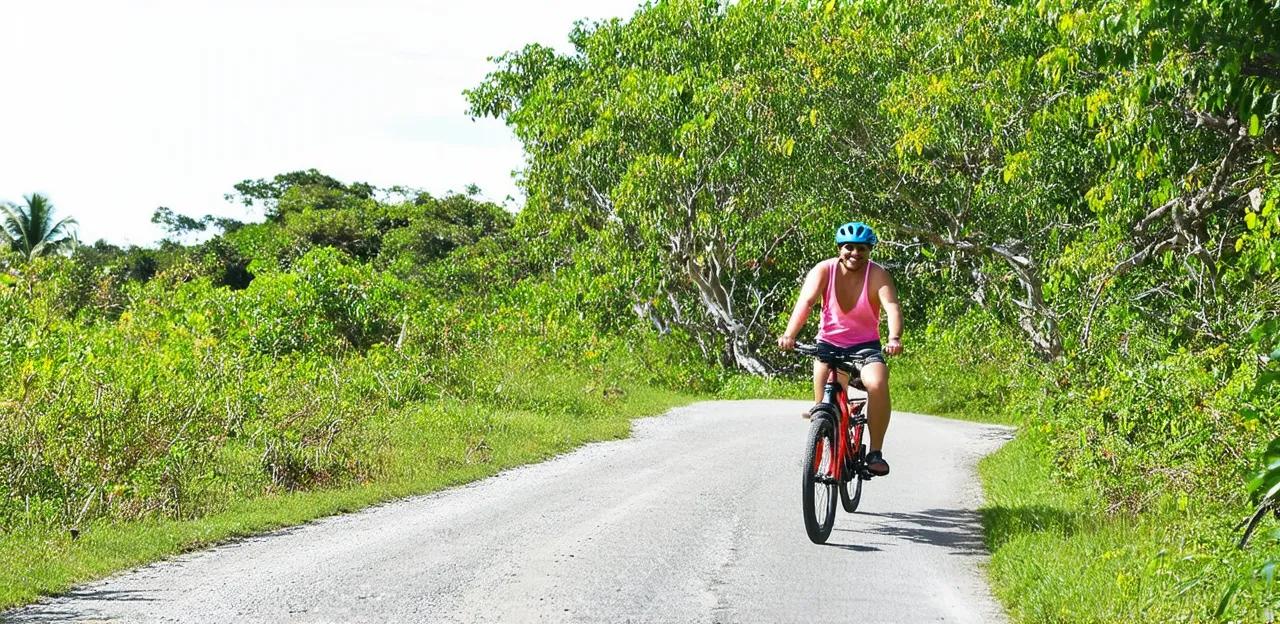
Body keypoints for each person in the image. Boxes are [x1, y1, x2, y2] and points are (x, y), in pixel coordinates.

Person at [777, 221, 902, 476]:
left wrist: (894, 338)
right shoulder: (824, 270)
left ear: (869, 251)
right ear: (839, 248)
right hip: (829, 346)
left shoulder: (877, 274)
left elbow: (891, 307)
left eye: (861, 249)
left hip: (865, 348)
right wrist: (789, 335)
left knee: (877, 383)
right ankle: (821, 442)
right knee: (823, 404)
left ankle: (875, 452)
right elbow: (807, 302)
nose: (855, 254)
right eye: (849, 247)